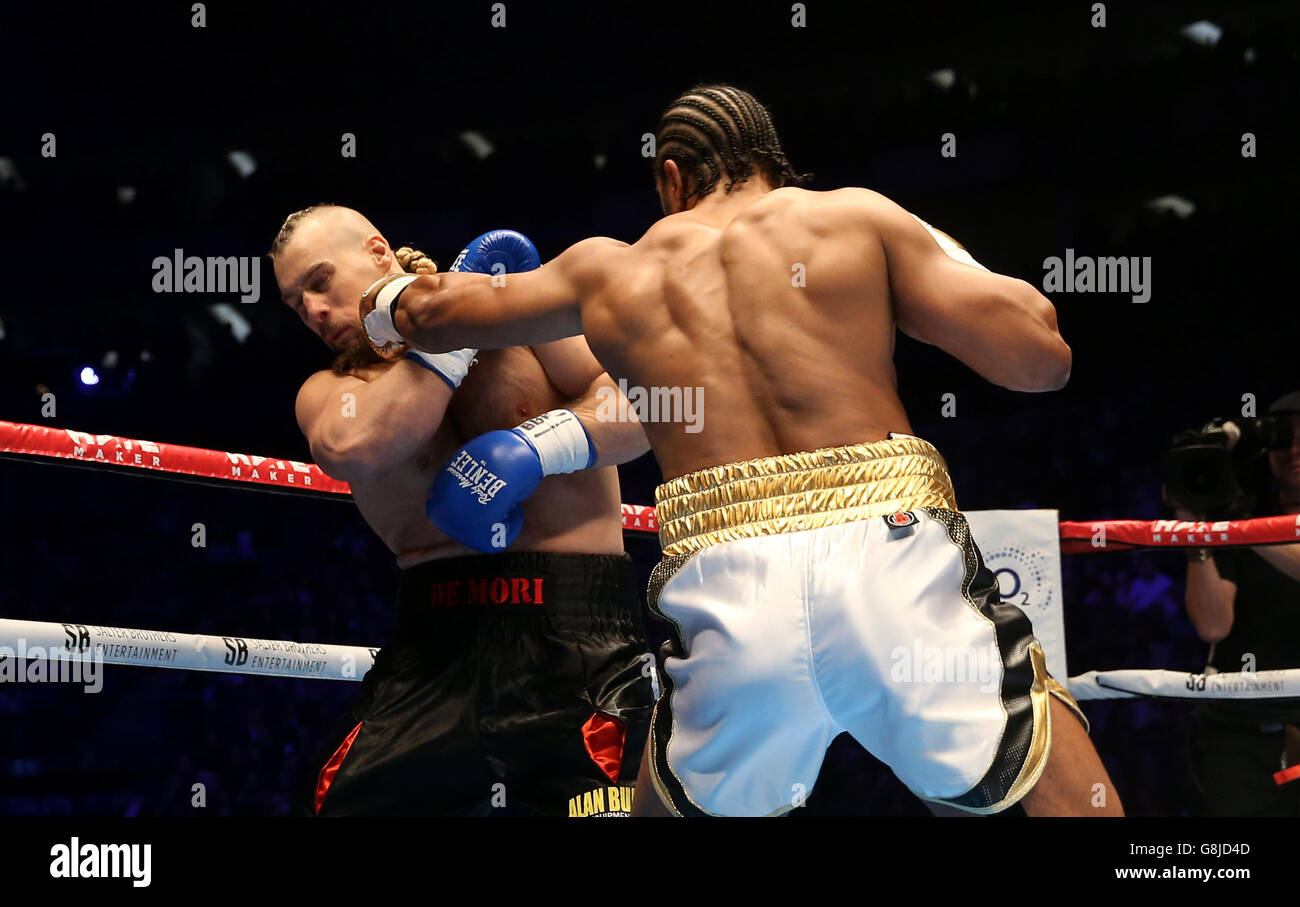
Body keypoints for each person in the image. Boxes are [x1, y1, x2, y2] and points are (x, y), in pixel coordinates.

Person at [363, 84, 1122, 817]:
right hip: (885, 548)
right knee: (1038, 754)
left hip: (727, 582)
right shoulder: (854, 219)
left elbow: (432, 315)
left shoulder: (608, 269)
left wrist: (385, 299)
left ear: (670, 178)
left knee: (678, 793)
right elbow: (1041, 359)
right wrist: (940, 253)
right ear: (774, 161)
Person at [269, 205, 653, 816]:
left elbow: (646, 405)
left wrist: (536, 448)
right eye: (295, 304)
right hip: (431, 648)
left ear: (377, 252)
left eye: (319, 282)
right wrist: (449, 342)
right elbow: (356, 447)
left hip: (572, 634)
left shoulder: (518, 315)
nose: (313, 311)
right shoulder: (333, 392)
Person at [1182, 390, 1300, 815]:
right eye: (1284, 439)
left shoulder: (1243, 523)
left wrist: (1239, 526)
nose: (1294, 451)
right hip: (1241, 731)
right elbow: (1212, 626)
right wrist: (1196, 533)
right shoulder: (1241, 520)